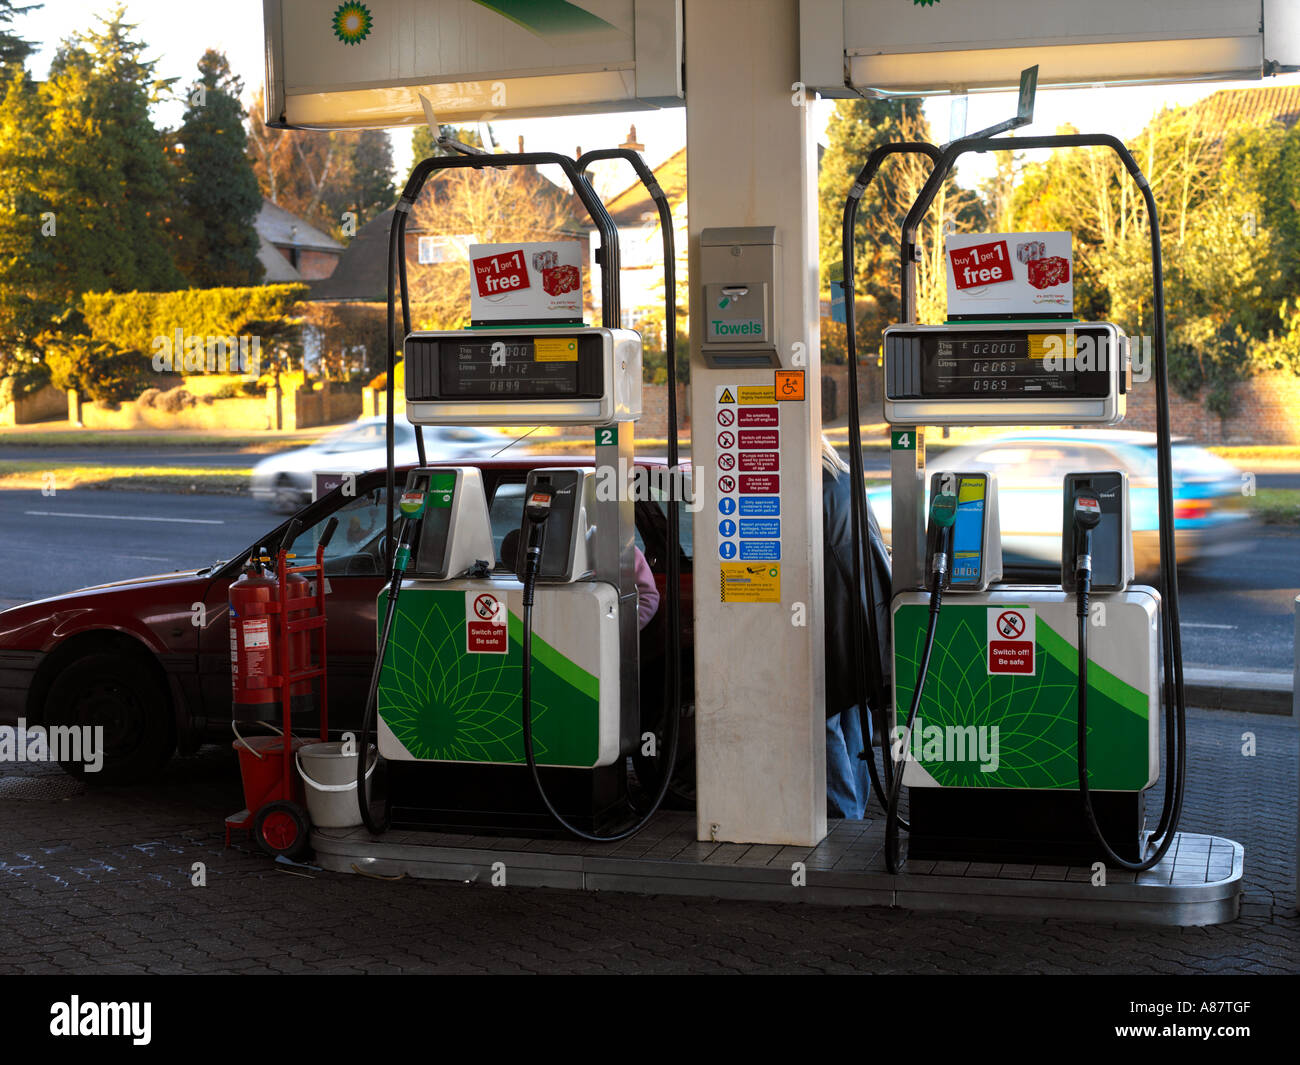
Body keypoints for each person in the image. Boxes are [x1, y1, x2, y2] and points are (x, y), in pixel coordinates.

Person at [820, 434, 892, 820]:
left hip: (835, 610)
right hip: (863, 610)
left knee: (821, 714)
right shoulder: (844, 476)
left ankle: (844, 810)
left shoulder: (809, 485)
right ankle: (856, 810)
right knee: (852, 710)